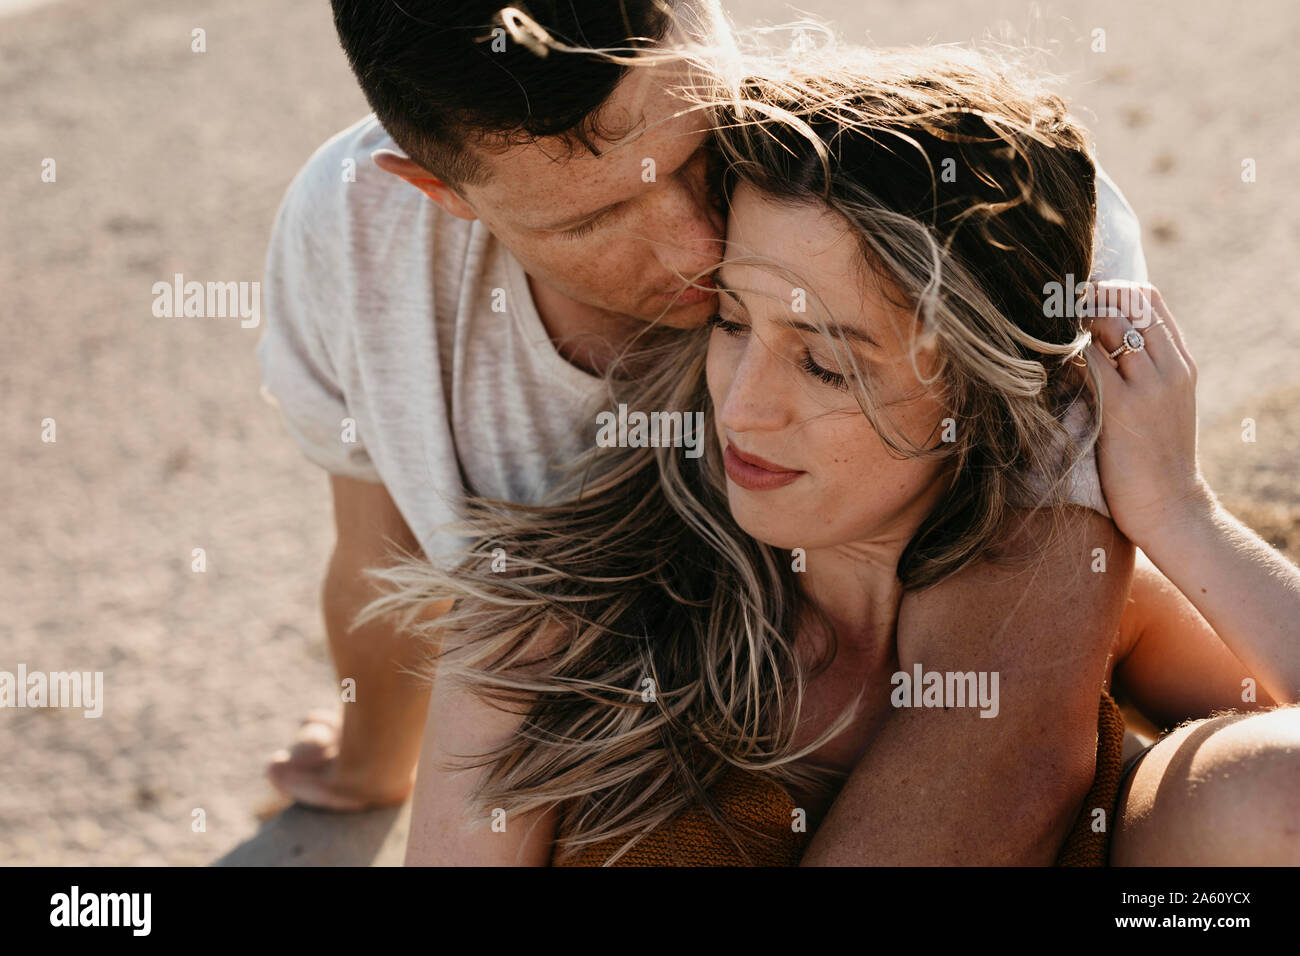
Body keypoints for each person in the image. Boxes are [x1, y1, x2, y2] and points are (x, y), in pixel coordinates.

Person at [365, 42, 1300, 866]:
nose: (743, 409)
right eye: (731, 321)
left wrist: (1179, 511)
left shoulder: (1074, 587)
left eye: (824, 365)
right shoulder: (548, 640)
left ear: (977, 390)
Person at [255, 0, 1137, 833]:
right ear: (436, 191)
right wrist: (371, 760)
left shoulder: (983, 215)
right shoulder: (353, 234)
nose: (695, 246)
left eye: (695, 152)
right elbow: (378, 550)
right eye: (592, 219)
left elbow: (1005, 729)